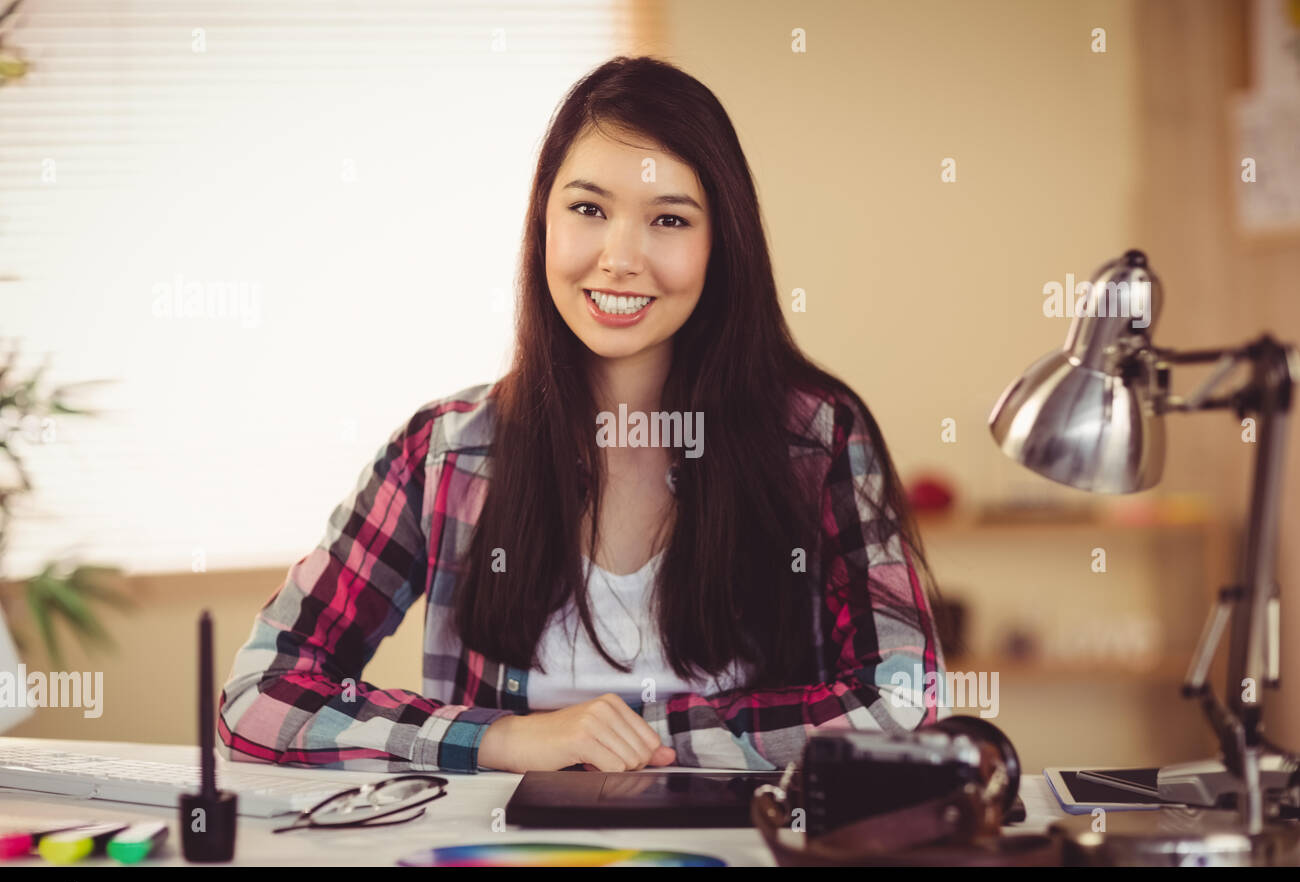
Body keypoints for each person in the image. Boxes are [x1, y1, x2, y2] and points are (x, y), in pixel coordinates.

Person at [217, 55, 948, 776]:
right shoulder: (444, 451)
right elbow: (258, 696)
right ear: (544, 223)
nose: (620, 258)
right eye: (589, 210)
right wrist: (504, 740)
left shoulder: (815, 441)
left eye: (668, 219)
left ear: (721, 246)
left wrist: (626, 739)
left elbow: (905, 702)